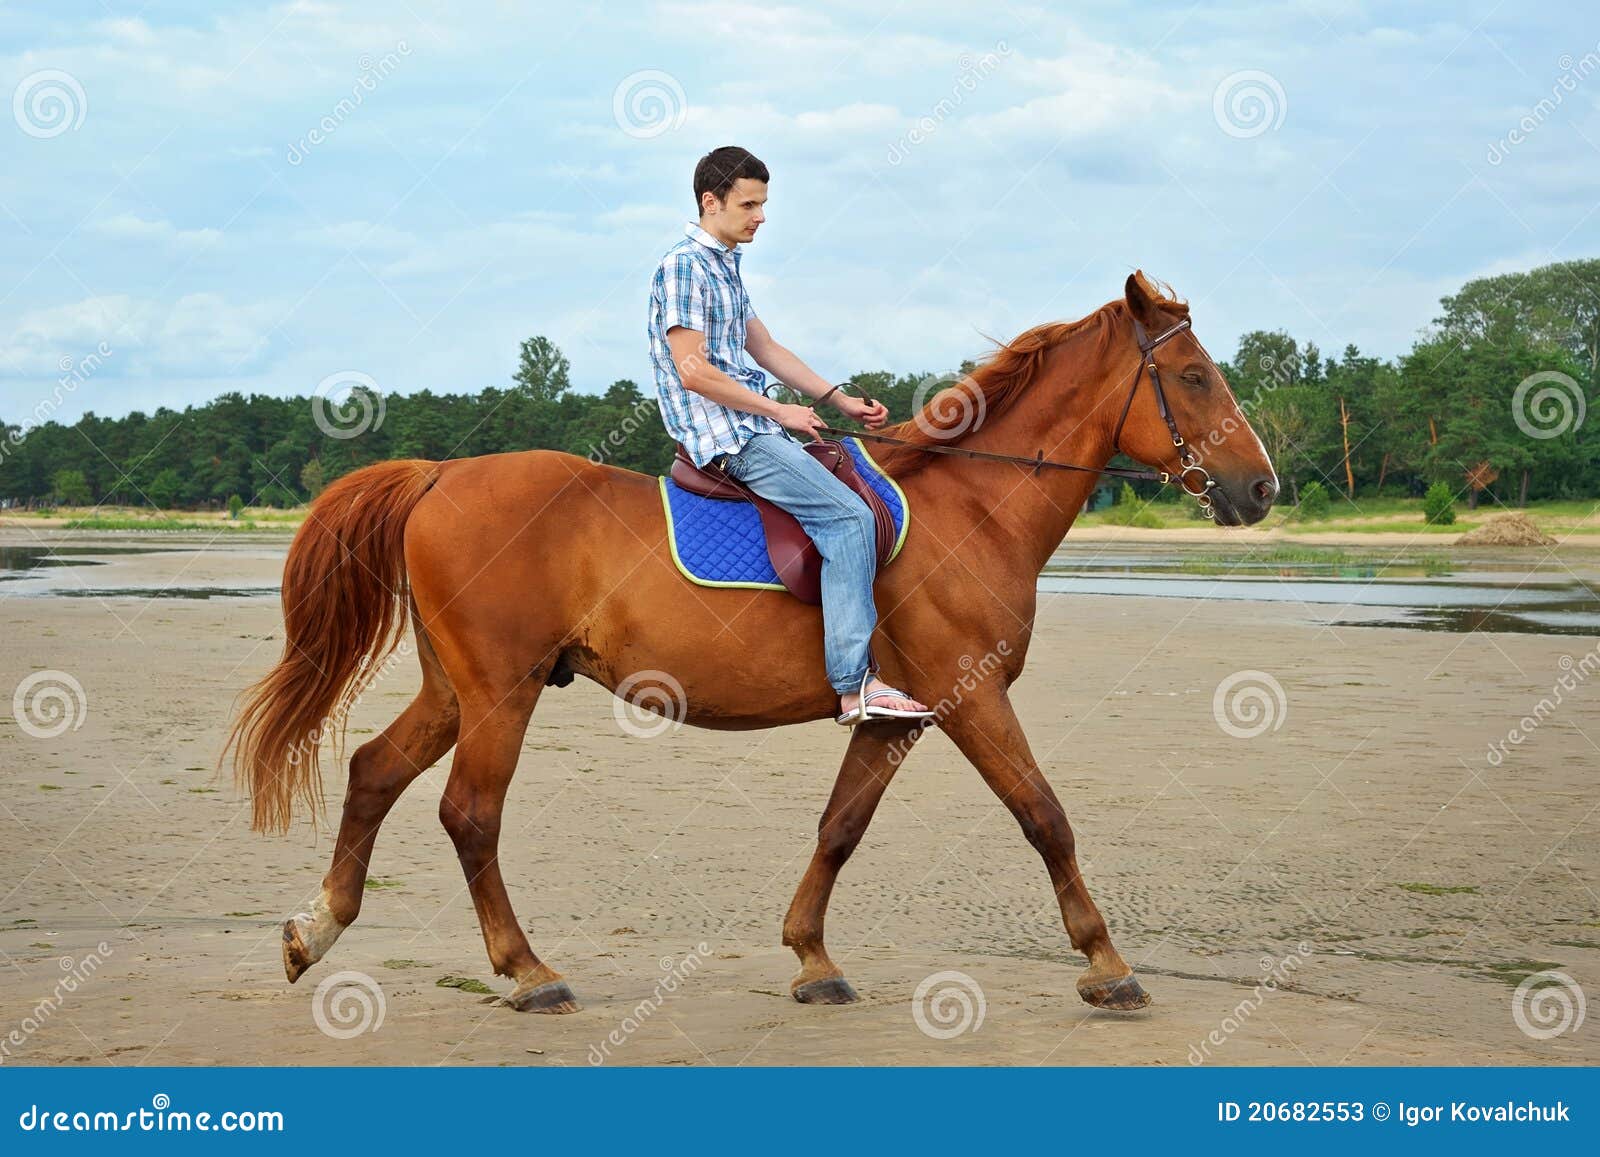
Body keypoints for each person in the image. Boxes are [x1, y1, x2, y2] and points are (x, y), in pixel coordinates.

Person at [647, 145, 933, 726]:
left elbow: (766, 349)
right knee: (849, 518)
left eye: (763, 204)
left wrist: (836, 399)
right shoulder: (684, 267)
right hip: (728, 437)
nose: (761, 217)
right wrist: (782, 413)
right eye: (748, 205)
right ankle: (855, 686)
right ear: (711, 202)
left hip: (752, 422)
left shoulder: (725, 264)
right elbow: (693, 370)